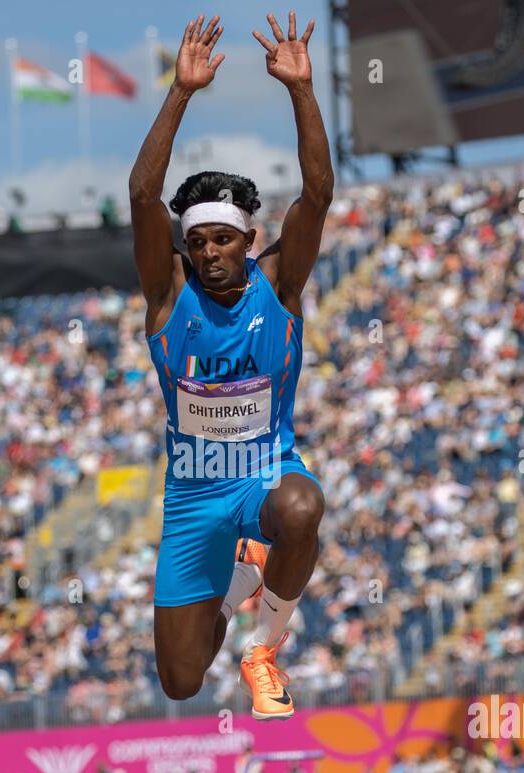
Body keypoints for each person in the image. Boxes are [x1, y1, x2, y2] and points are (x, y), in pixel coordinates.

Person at [129, 12, 334, 721]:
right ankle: (233, 578)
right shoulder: (167, 298)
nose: (211, 252)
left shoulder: (279, 287)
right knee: (181, 680)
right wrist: (181, 93)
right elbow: (141, 197)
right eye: (199, 242)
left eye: (225, 239)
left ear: (249, 239)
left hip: (263, 478)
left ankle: (264, 647)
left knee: (302, 507)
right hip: (192, 501)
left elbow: (316, 198)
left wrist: (301, 91)